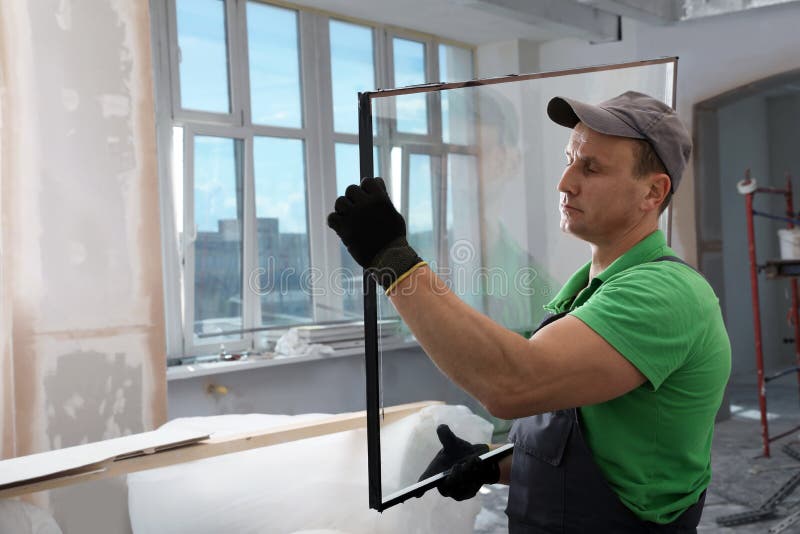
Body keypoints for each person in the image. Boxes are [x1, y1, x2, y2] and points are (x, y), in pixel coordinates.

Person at [327, 91, 731, 533]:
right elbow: (601, 458)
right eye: (570, 160)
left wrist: (394, 261)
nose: (565, 182)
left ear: (653, 191)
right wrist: (490, 465)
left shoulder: (664, 294)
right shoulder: (585, 296)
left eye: (591, 167)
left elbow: (514, 382)